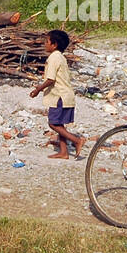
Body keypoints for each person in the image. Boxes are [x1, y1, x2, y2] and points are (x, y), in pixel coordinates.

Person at [30, 29, 85, 160]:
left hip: (60, 96)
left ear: (54, 45)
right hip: (65, 95)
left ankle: (77, 140)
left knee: (53, 124)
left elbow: (51, 79)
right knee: (59, 124)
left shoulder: (54, 57)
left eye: (47, 41)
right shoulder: (60, 57)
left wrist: (38, 89)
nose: (45, 44)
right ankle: (64, 152)